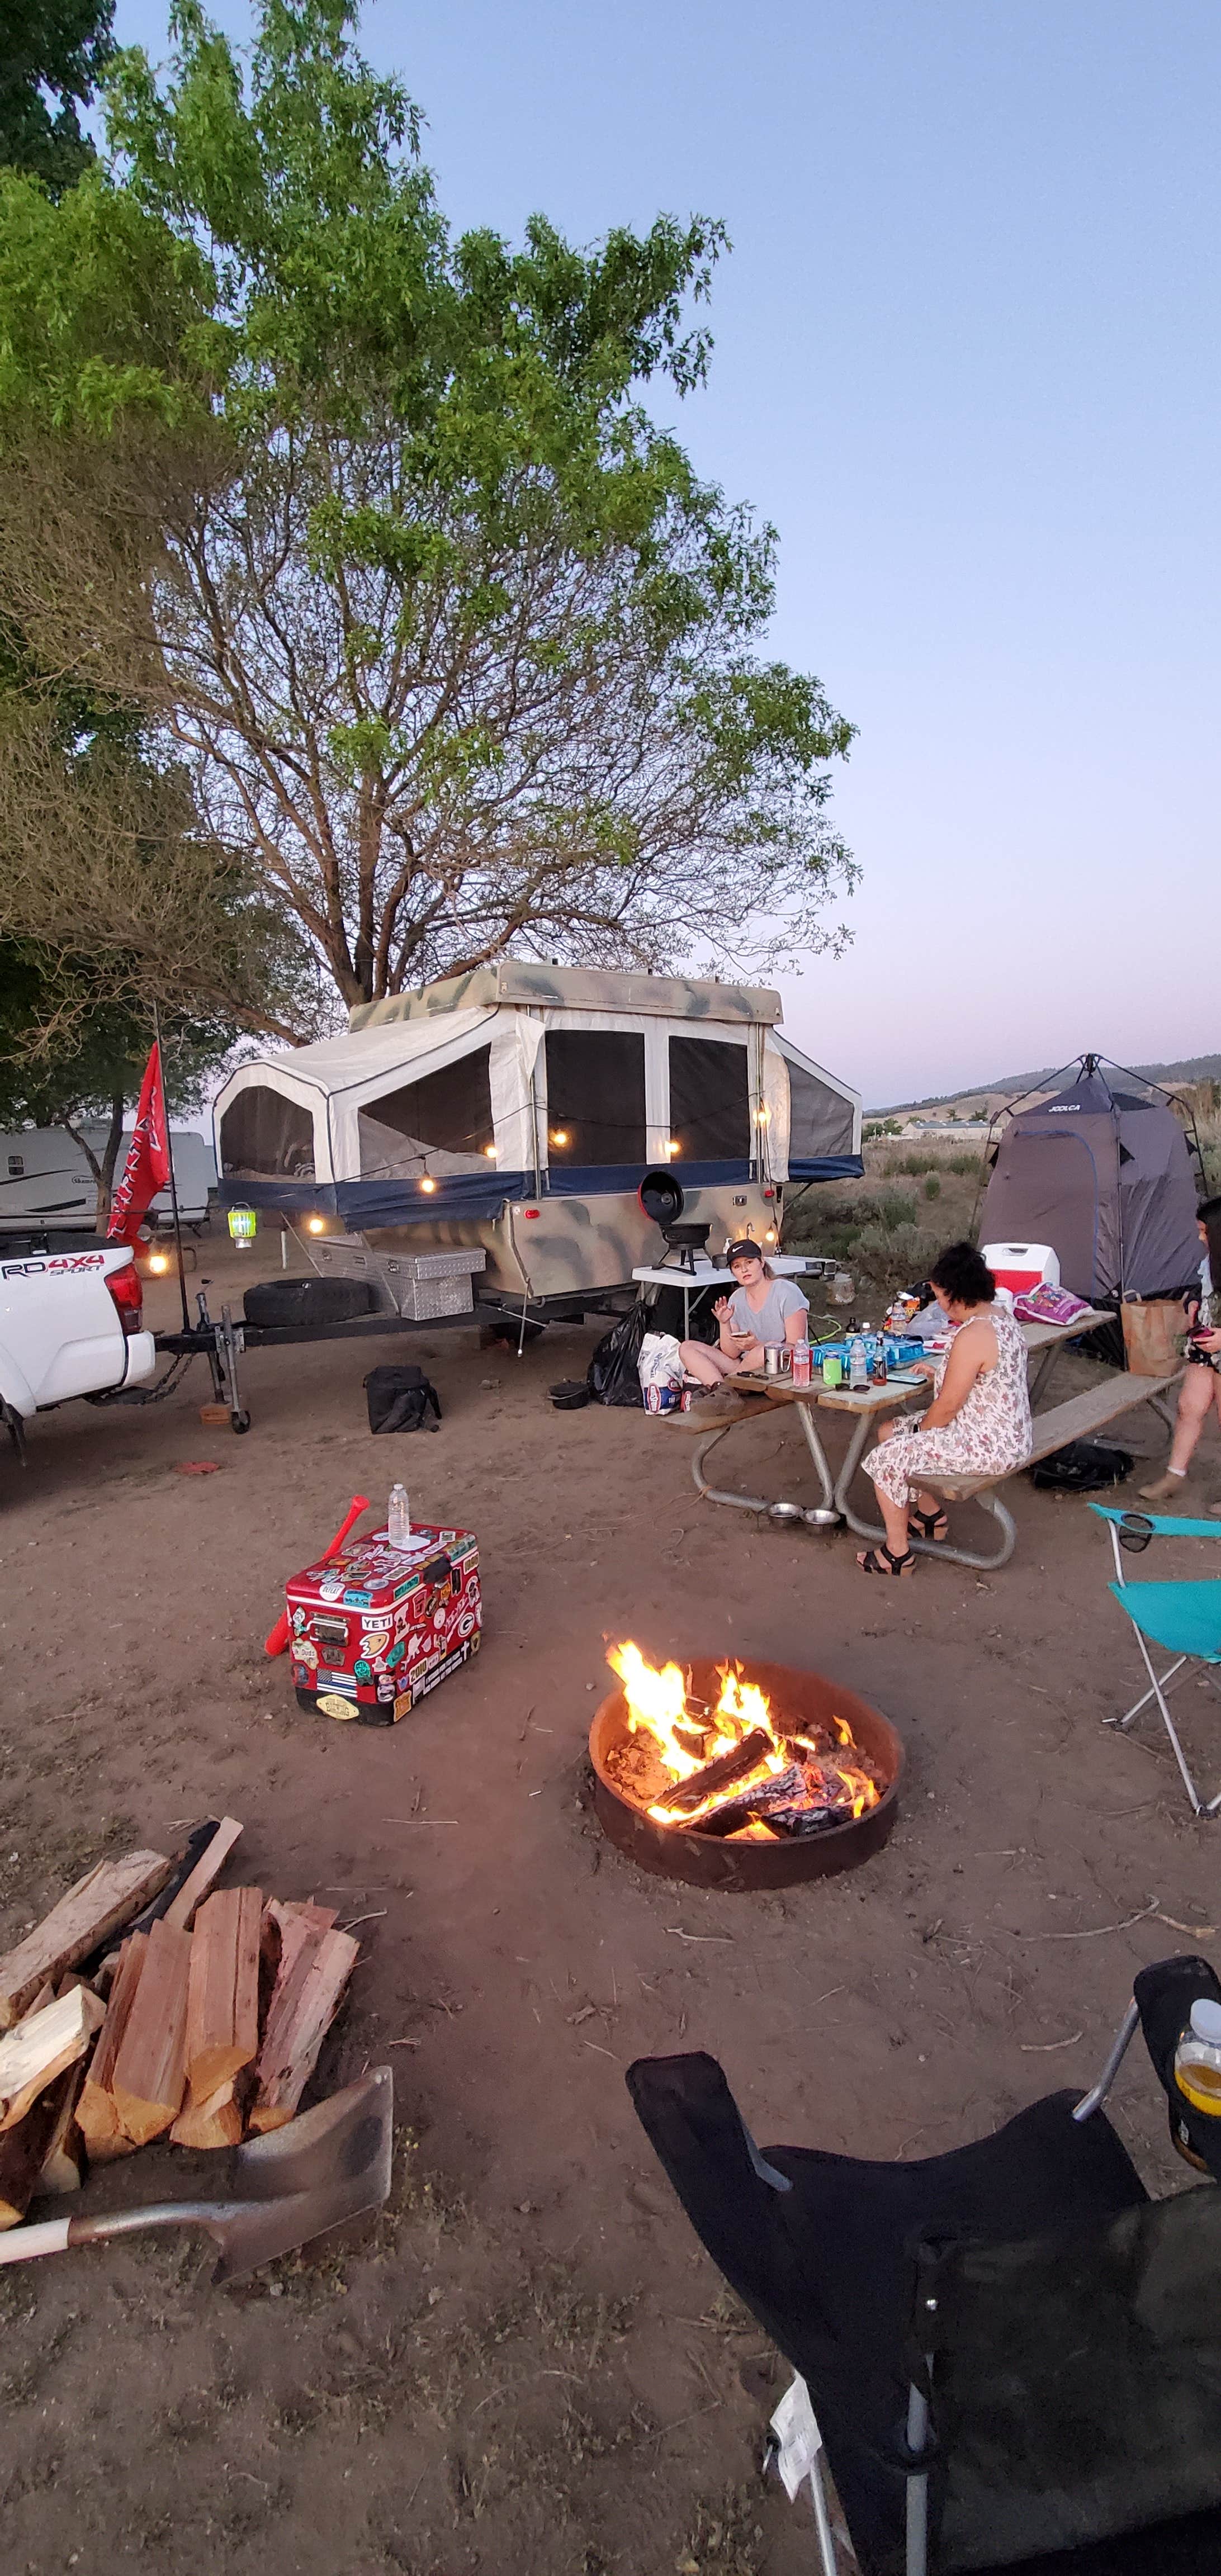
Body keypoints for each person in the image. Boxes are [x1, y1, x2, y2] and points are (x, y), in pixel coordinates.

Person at [857, 1239, 1032, 1575]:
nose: (936, 1303)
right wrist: (942, 1373)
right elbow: (990, 1377)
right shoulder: (1002, 1320)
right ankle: (928, 1515)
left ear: (954, 1295)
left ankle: (897, 1554)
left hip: (989, 1443)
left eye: (938, 1296)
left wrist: (920, 1434)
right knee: (889, 1431)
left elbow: (949, 1406)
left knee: (889, 1457)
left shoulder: (974, 1334)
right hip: (1003, 1429)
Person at [1139, 1196, 1221, 1509]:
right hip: (1205, 1344)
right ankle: (1175, 1475)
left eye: (1205, 1232)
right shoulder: (1211, 1260)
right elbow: (1200, 1288)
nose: (1201, 1238)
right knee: (1189, 1406)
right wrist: (1192, 1303)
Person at [679, 1239, 808, 1389]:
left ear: (761, 1263)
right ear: (733, 1272)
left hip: (782, 1366)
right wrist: (724, 1323)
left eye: (749, 1262)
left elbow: (795, 1348)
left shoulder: (786, 1291)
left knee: (765, 1350)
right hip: (745, 1365)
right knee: (687, 1348)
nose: (744, 1270)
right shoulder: (737, 1298)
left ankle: (725, 1390)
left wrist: (757, 1345)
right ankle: (721, 1390)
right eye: (737, 1266)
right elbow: (732, 1353)